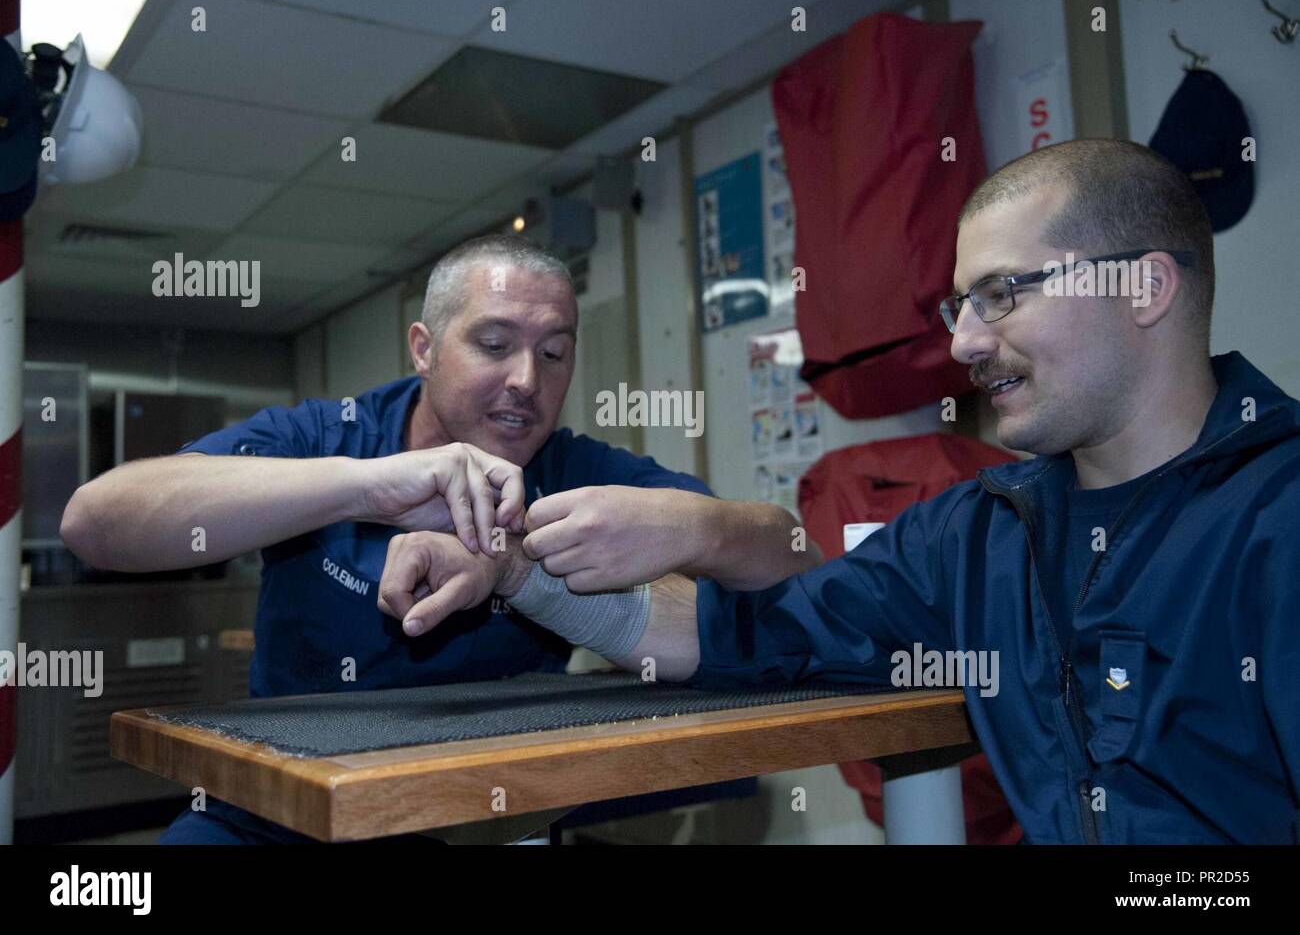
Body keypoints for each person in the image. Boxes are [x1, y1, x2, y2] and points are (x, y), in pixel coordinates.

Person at [380, 141, 1300, 844]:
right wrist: (516, 573)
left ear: (1145, 287)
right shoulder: (980, 533)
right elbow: (748, 637)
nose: (966, 344)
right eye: (959, 307)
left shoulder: (1278, 516)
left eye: (1004, 293)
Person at [60, 234, 817, 844]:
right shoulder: (328, 435)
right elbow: (94, 523)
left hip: (475, 818)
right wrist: (366, 486)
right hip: (269, 816)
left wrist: (697, 525)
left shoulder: (576, 471)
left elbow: (794, 555)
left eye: (555, 352)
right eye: (494, 343)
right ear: (423, 346)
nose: (527, 378)